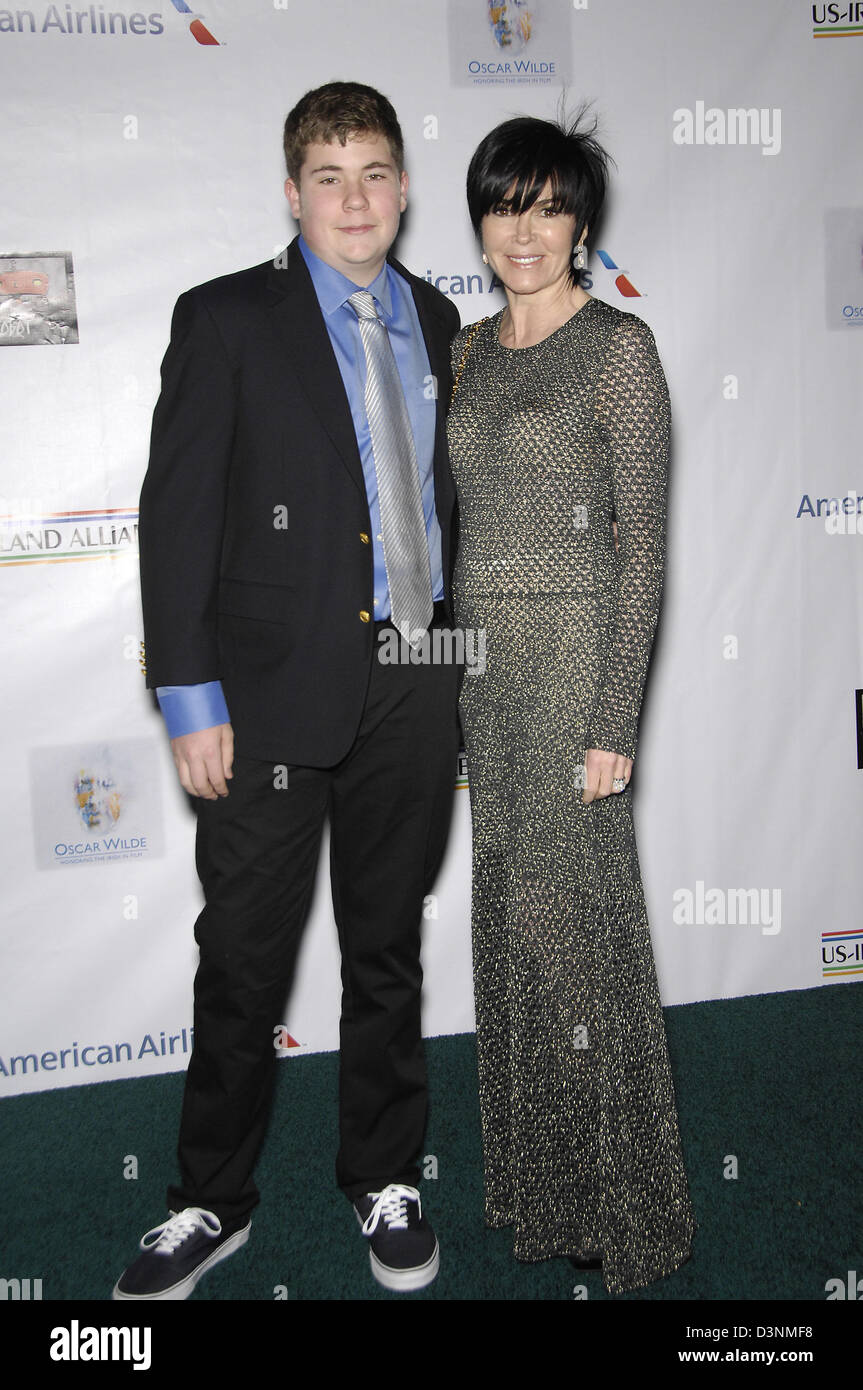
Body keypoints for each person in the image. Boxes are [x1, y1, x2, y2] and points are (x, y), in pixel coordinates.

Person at [114, 81, 462, 1300]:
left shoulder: (437, 317)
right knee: (245, 961)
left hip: (416, 681)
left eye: (374, 172)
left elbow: (441, 506)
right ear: (291, 191)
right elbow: (177, 515)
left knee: (385, 949)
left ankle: (383, 1171)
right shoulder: (225, 319)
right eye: (328, 175)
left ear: (405, 186)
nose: (354, 197)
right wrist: (187, 691)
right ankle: (209, 1198)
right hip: (261, 694)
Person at [447, 112, 696, 1295]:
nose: (525, 229)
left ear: (580, 224)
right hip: (482, 679)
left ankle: (626, 1205)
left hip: (573, 672)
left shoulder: (619, 352)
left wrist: (613, 720)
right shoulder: (459, 353)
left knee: (580, 939)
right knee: (511, 923)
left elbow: (641, 556)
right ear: (480, 221)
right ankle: (540, 1188)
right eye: (506, 205)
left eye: (548, 206)